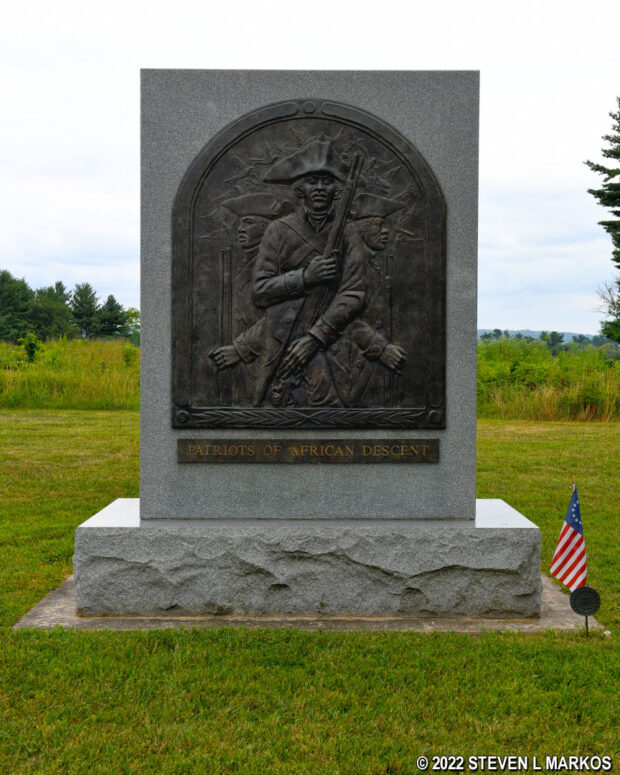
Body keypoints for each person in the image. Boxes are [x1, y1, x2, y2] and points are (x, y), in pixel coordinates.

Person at [249, 139, 366, 407]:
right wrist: (305, 277)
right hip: (281, 343)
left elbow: (354, 293)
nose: (320, 188)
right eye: (313, 181)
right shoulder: (277, 231)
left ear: (337, 188)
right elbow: (259, 292)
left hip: (331, 345)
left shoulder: (349, 233)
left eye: (327, 182)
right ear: (298, 188)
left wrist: (315, 339)